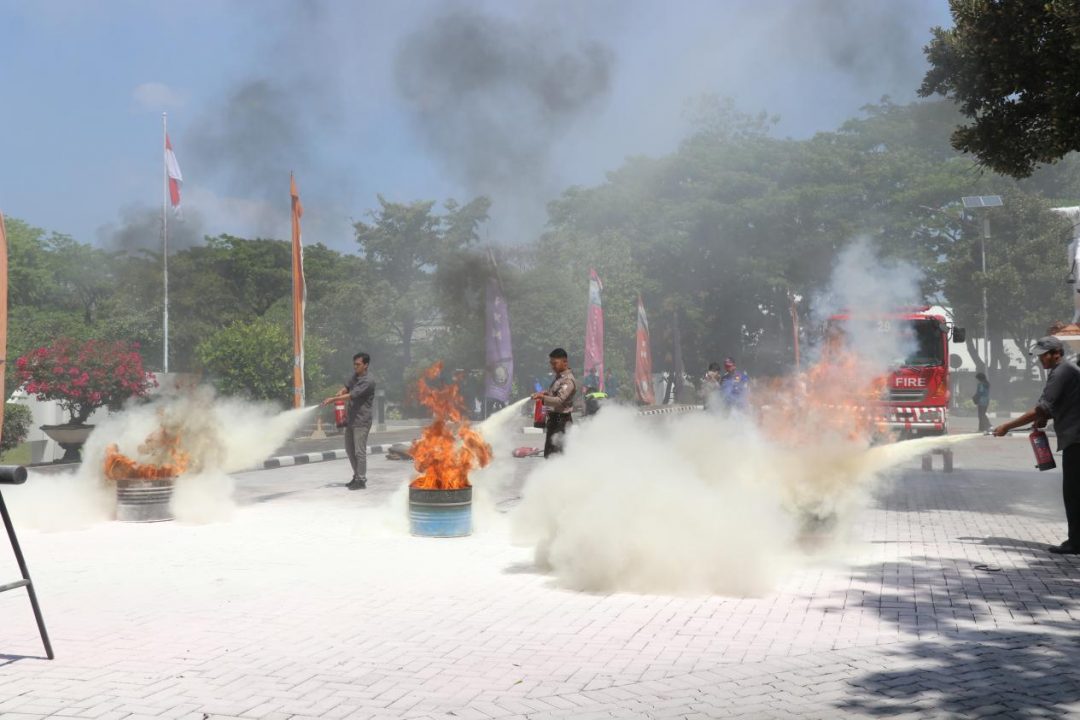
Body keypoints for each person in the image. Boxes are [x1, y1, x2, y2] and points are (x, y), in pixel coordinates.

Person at [993, 337, 1080, 554]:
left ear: (1056, 353)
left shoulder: (1062, 371)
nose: (1040, 359)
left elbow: (1041, 408)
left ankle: (1076, 542)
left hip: (1077, 440)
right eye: (1039, 355)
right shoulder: (1065, 370)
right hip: (1074, 438)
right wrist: (1044, 417)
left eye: (1044, 355)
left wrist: (1007, 426)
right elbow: (1057, 405)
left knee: (1073, 493)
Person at [322, 352, 375, 490]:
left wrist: (333, 399)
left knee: (359, 452)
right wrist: (342, 390)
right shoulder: (355, 376)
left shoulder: (368, 381)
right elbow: (348, 387)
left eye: (358, 364)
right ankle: (356, 476)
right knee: (349, 450)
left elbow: (352, 395)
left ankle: (361, 480)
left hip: (362, 421)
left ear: (366, 365)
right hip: (351, 419)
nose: (355, 367)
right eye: (354, 364)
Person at [530, 348, 578, 458]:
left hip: (561, 423)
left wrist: (542, 397)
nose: (552, 366)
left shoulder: (568, 380)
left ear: (565, 362)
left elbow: (559, 400)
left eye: (555, 363)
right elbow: (554, 394)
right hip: (554, 422)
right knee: (549, 455)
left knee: (556, 457)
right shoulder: (559, 378)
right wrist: (545, 393)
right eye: (551, 363)